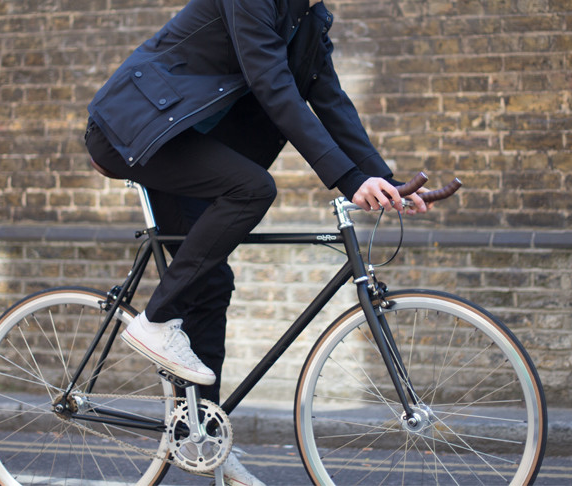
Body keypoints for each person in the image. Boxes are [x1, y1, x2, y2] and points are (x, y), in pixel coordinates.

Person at [84, 0, 428, 483]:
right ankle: (155, 320)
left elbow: (328, 99)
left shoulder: (309, 19)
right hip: (134, 129)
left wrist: (381, 181)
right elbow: (274, 87)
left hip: (180, 138)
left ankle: (201, 438)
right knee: (252, 189)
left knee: (211, 280)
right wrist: (348, 179)